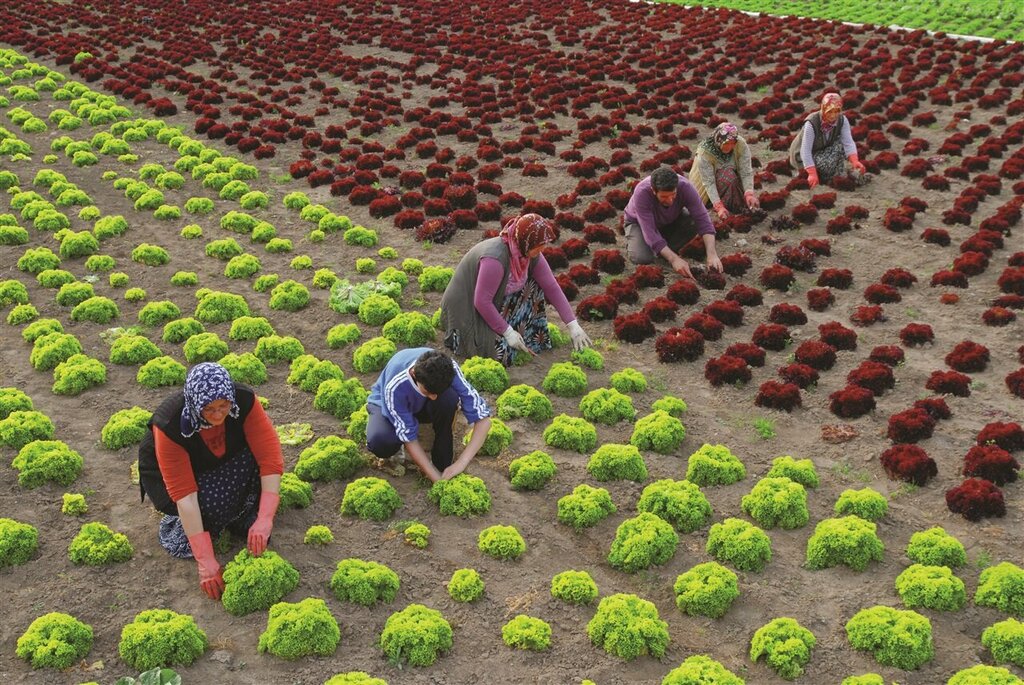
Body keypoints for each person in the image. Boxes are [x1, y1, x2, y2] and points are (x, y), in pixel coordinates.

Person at [137, 362, 283, 600]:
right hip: (175, 478)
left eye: (224, 406)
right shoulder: (170, 424)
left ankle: (241, 516)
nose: (218, 414)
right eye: (209, 409)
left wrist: (265, 519)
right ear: (195, 404)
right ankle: (203, 527)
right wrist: (205, 561)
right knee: (212, 503)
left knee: (258, 472)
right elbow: (185, 496)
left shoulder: (243, 400)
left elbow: (270, 459)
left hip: (221, 459)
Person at [439, 213, 592, 366]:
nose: (542, 249)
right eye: (539, 245)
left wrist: (572, 325)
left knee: (534, 286)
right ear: (527, 242)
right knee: (500, 354)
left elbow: (551, 287)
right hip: (466, 310)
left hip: (494, 300)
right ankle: (496, 334)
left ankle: (526, 335)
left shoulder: (528, 252)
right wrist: (507, 331)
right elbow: (481, 301)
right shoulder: (495, 259)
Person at [365, 348, 492, 483]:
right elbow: (409, 438)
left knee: (448, 399)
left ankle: (441, 456)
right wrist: (436, 479)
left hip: (419, 402)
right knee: (381, 442)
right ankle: (395, 450)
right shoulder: (395, 386)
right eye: (428, 392)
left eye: (436, 393)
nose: (433, 397)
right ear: (414, 374)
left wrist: (461, 464)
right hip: (385, 403)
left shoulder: (449, 369)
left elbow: (484, 421)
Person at [622, 166, 722, 279]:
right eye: (664, 196)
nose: (670, 200)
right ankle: (639, 241)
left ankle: (663, 248)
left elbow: (703, 218)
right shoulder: (642, 192)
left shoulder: (685, 187)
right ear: (653, 191)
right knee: (642, 258)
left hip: (670, 219)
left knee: (693, 221)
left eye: (673, 194)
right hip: (639, 224)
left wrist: (712, 254)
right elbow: (649, 231)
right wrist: (674, 259)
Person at [789, 92, 867, 188]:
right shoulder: (811, 124)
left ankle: (835, 173)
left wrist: (855, 161)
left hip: (821, 150)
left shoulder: (842, 120)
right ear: (823, 108)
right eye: (830, 111)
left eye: (836, 111)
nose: (833, 115)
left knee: (841, 144)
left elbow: (848, 142)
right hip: (801, 157)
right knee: (835, 154)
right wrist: (812, 173)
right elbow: (805, 151)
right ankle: (824, 174)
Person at [689, 122, 760, 220]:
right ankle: (725, 205)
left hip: (733, 177)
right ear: (719, 140)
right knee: (729, 177)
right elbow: (709, 182)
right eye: (726, 143)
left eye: (732, 143)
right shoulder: (705, 153)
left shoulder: (740, 144)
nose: (729, 147)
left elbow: (746, 171)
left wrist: (749, 193)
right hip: (709, 184)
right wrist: (718, 206)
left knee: (733, 178)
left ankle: (739, 202)